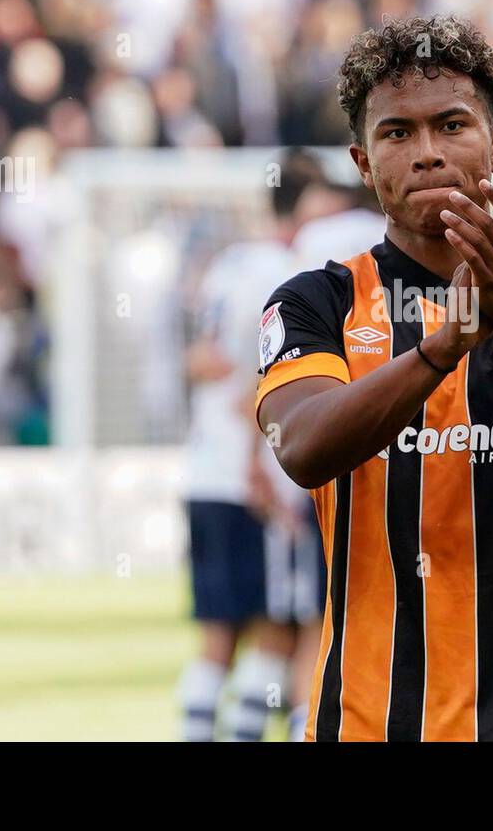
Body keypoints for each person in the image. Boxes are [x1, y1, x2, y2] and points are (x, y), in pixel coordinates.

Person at [255, 16, 493, 741]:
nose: (426, 153)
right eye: (397, 133)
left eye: (451, 125)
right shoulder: (317, 302)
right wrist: (442, 348)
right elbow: (301, 448)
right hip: (368, 725)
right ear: (364, 164)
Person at [177, 147, 325, 742]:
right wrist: (258, 466)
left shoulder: (226, 264)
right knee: (284, 627)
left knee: (220, 634)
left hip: (202, 471)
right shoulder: (285, 272)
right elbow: (259, 386)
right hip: (253, 473)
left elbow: (201, 359)